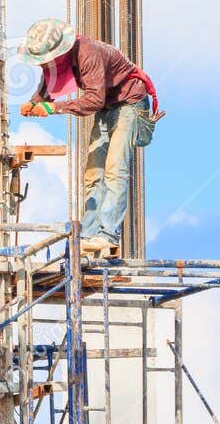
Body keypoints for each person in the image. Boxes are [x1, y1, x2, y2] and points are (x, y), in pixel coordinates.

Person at [18, 17, 161, 255]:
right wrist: (35, 103)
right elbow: (48, 85)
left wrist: (54, 108)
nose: (43, 66)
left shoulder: (88, 54)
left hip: (129, 104)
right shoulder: (58, 64)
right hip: (108, 108)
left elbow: (94, 100)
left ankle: (107, 235)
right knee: (94, 173)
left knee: (115, 169)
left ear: (59, 52)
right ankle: (89, 233)